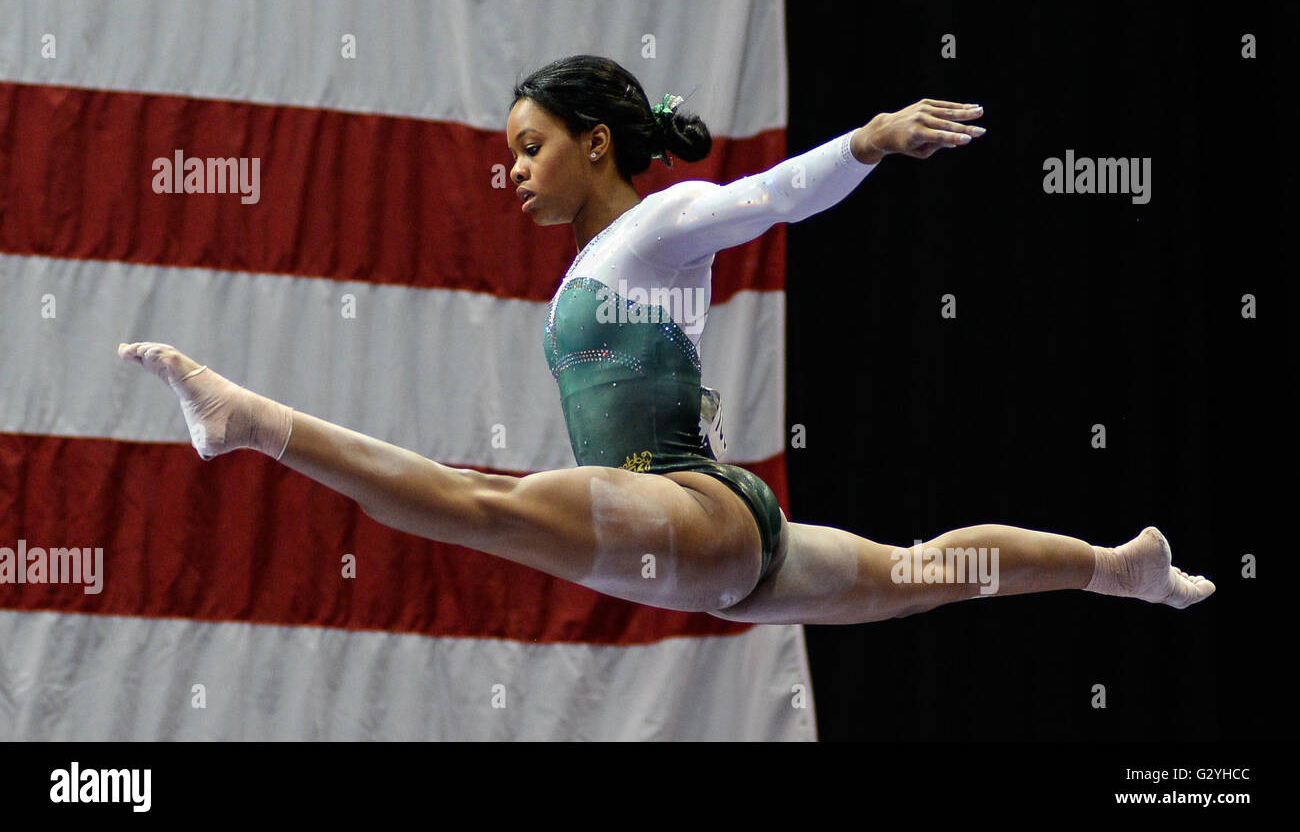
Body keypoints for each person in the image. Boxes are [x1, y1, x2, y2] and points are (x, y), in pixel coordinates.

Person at [117, 55, 1214, 623]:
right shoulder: (601, 268)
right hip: (721, 541)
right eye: (508, 152)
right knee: (928, 573)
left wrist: (869, 140)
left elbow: (769, 198)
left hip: (691, 513)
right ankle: (1117, 572)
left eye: (530, 146)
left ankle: (251, 418)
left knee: (478, 504)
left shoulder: (657, 223)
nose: (512, 171)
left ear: (596, 144)